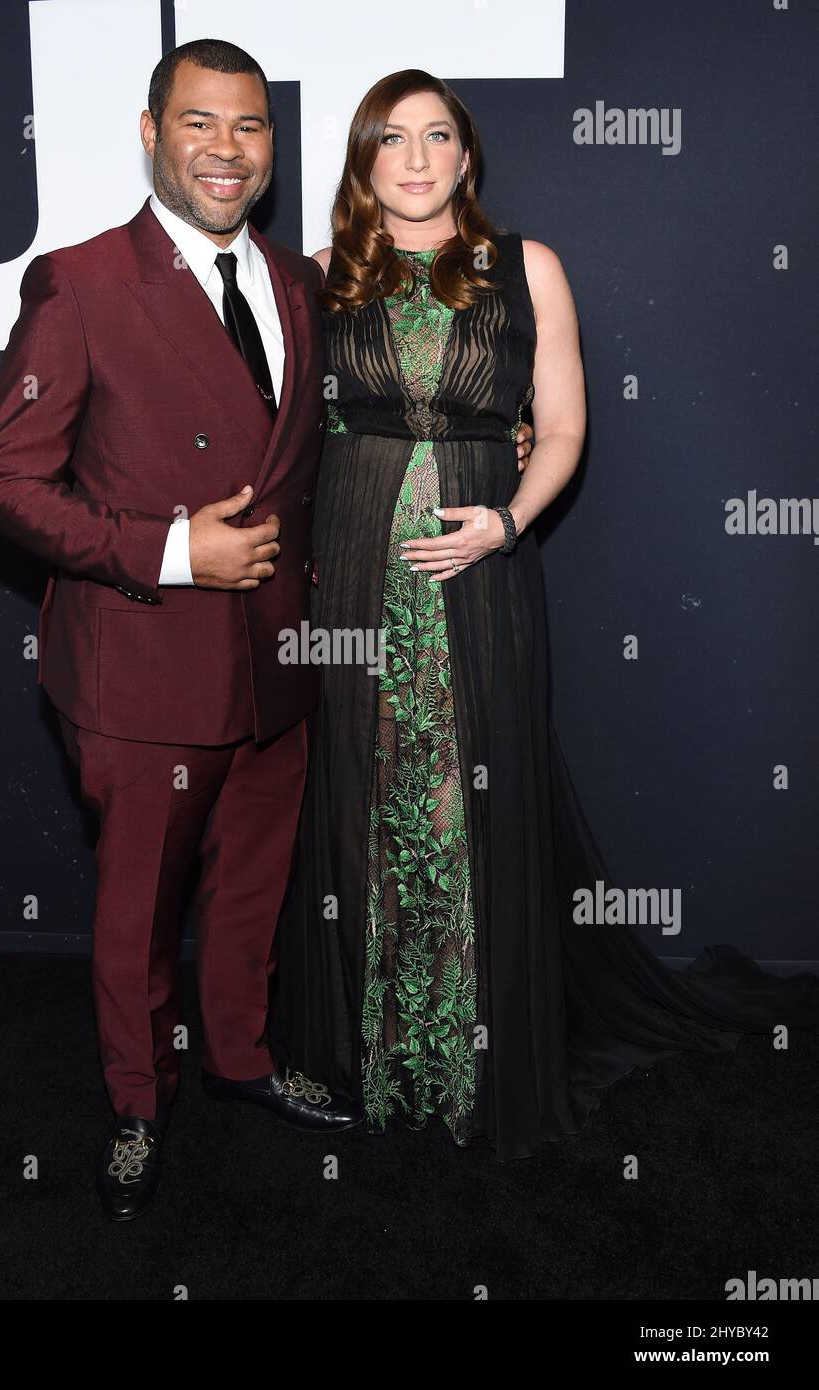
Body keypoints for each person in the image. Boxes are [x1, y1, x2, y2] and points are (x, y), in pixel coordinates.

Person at [270, 69, 819, 1160]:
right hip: (352, 562)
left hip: (484, 573)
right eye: (393, 140)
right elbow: (290, 434)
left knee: (476, 785)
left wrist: (505, 521)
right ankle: (368, 1051)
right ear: (362, 160)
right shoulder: (318, 279)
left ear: (467, 158)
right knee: (362, 786)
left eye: (438, 138)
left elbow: (562, 427)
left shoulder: (527, 269)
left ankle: (480, 1056)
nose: (417, 160)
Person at [0, 40, 379, 1223]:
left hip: (278, 661)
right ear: (150, 133)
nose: (225, 149)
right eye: (198, 123)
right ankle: (139, 1104)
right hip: (145, 664)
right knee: (139, 910)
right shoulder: (82, 283)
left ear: (271, 146)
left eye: (249, 127)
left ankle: (242, 1057)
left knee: (255, 888)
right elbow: (5, 485)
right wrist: (169, 550)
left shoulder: (296, 285)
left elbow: (304, 449)